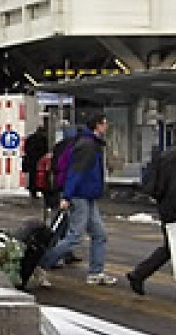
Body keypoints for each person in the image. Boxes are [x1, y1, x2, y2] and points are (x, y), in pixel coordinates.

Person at [125, 118, 176, 302]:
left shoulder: (169, 153)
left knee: (175, 247)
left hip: (167, 206)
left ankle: (145, 276)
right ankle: (144, 276)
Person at [39, 113, 117, 285]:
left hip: (87, 195)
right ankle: (42, 263)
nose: (107, 126)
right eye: (105, 123)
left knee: (99, 234)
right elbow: (76, 172)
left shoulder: (90, 143)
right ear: (97, 125)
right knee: (75, 236)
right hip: (79, 196)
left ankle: (96, 272)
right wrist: (67, 195)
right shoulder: (87, 146)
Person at [22, 124, 50, 200]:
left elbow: (26, 149)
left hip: (33, 160)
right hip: (39, 160)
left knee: (33, 176)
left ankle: (34, 190)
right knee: (39, 176)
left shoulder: (31, 138)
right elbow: (46, 149)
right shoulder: (43, 139)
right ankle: (37, 190)